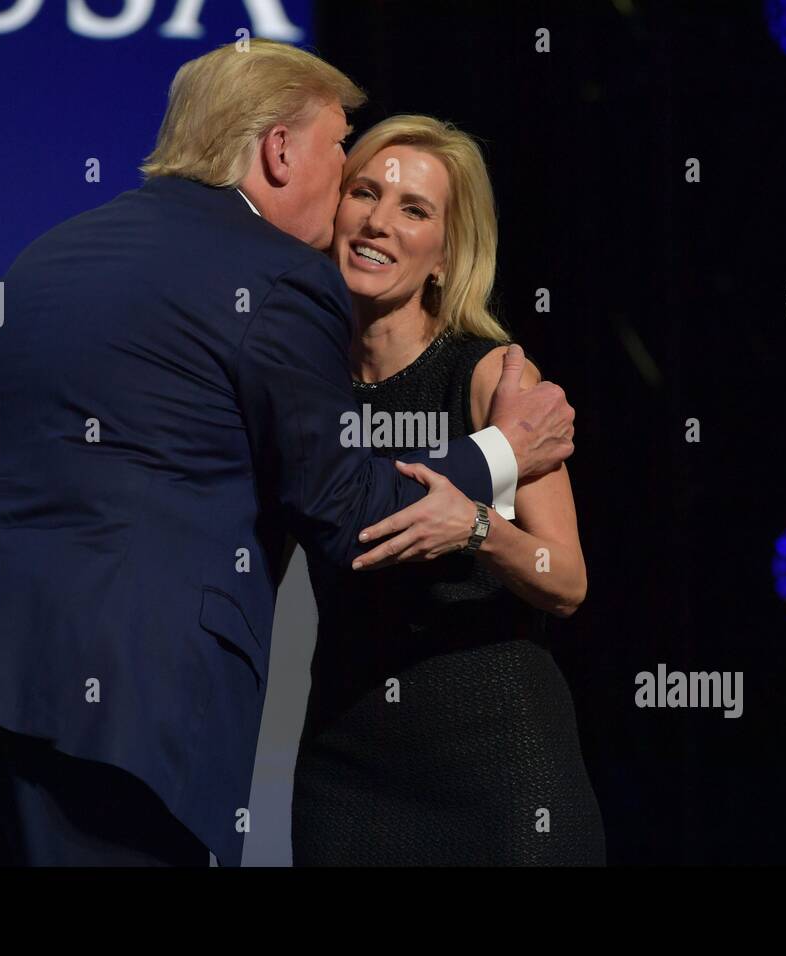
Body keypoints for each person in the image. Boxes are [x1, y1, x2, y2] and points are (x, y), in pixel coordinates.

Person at [0, 40, 577, 868]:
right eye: (343, 158)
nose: (351, 207)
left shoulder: (53, 252)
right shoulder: (280, 278)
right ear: (280, 151)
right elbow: (347, 508)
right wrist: (503, 449)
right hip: (102, 716)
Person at [291, 116, 605, 865]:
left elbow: (565, 581)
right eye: (364, 192)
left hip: (501, 767)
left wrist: (477, 528)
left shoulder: (494, 376)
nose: (377, 221)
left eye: (413, 210)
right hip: (346, 766)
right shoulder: (298, 380)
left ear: (444, 255)